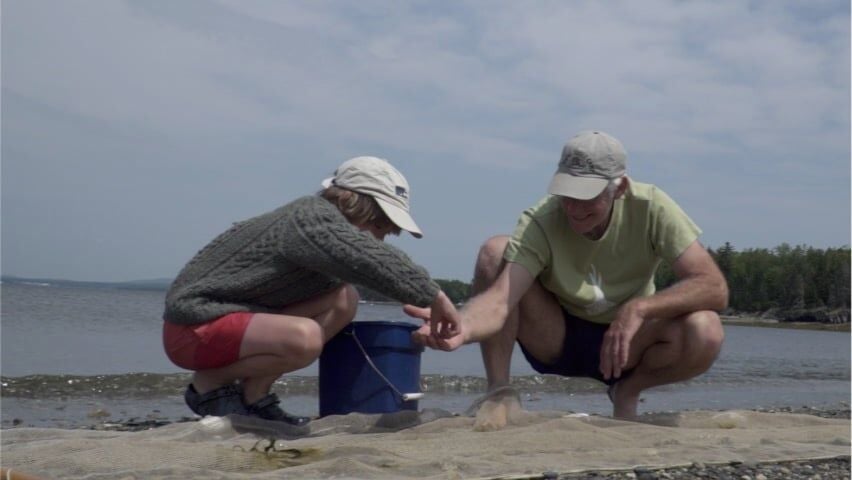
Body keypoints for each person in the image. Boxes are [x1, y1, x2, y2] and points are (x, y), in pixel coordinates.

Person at [406, 130, 728, 426]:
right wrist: (461, 326)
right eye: (566, 193)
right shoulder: (543, 219)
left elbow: (713, 287)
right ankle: (499, 392)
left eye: (586, 196)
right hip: (556, 336)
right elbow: (500, 300)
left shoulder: (652, 207)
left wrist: (641, 308)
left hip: (629, 342)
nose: (573, 208)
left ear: (621, 189)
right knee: (495, 250)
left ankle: (628, 391)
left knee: (706, 330)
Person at [163, 156, 460, 425]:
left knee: (345, 298)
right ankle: (208, 384)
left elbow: (366, 260)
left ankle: (253, 396)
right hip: (192, 326)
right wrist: (435, 297)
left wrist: (423, 300)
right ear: (355, 204)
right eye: (380, 227)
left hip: (234, 322)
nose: (380, 240)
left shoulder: (327, 235)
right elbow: (368, 257)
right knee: (305, 338)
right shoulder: (309, 220)